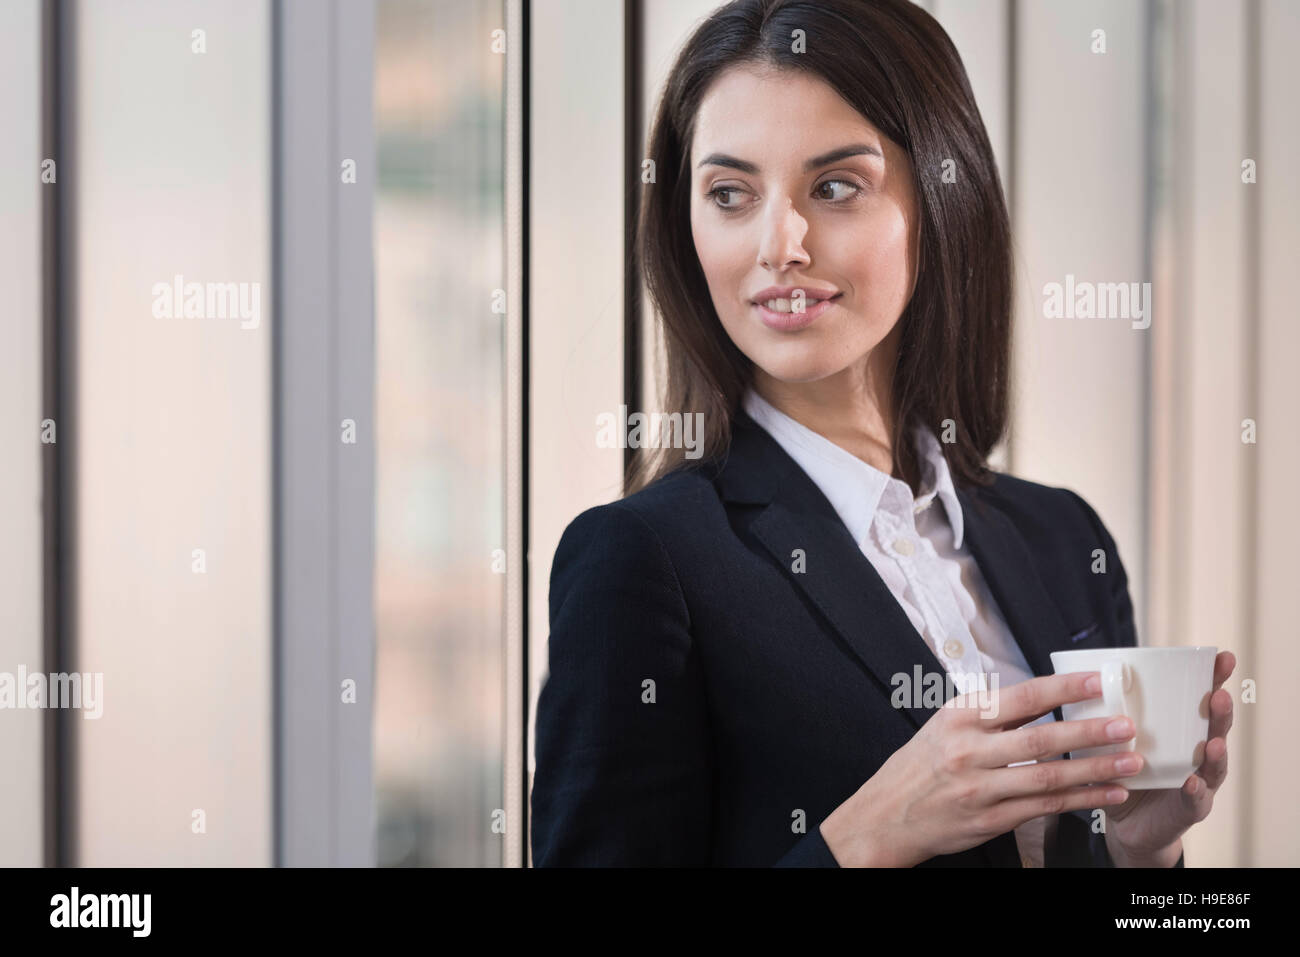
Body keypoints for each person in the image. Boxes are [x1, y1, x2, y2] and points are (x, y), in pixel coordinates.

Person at [530, 0, 1235, 867]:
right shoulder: (641, 560)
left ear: (944, 199)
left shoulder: (1062, 537)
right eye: (729, 194)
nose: (778, 243)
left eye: (833, 187)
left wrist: (1143, 859)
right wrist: (863, 840)